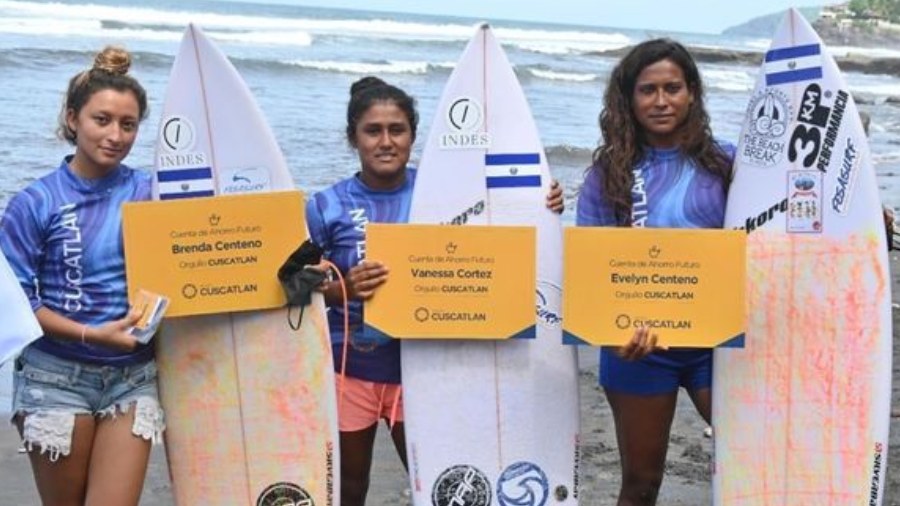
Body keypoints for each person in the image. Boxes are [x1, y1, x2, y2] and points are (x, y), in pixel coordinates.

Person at [306, 76, 564, 506]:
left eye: (397, 130)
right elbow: (295, 283)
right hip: (349, 372)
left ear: (413, 135)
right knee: (349, 488)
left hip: (425, 369)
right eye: (373, 131)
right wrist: (340, 290)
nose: (386, 141)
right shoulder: (324, 205)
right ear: (353, 137)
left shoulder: (444, 194)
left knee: (441, 482)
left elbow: (500, 235)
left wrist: (543, 200)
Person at [0, 46, 164, 506]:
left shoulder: (150, 194)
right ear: (73, 119)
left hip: (133, 377)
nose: (115, 135)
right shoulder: (34, 203)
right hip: (53, 378)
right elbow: (17, 305)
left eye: (128, 125)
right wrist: (92, 335)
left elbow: (202, 248)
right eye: (102, 120)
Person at [575, 39, 733, 505]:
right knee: (641, 485)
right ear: (628, 98)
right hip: (639, 350)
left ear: (692, 93)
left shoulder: (729, 163)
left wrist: (863, 220)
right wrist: (616, 327)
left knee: (752, 462)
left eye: (672, 88)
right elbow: (592, 269)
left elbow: (783, 221)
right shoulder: (608, 174)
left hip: (718, 346)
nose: (661, 101)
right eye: (647, 90)